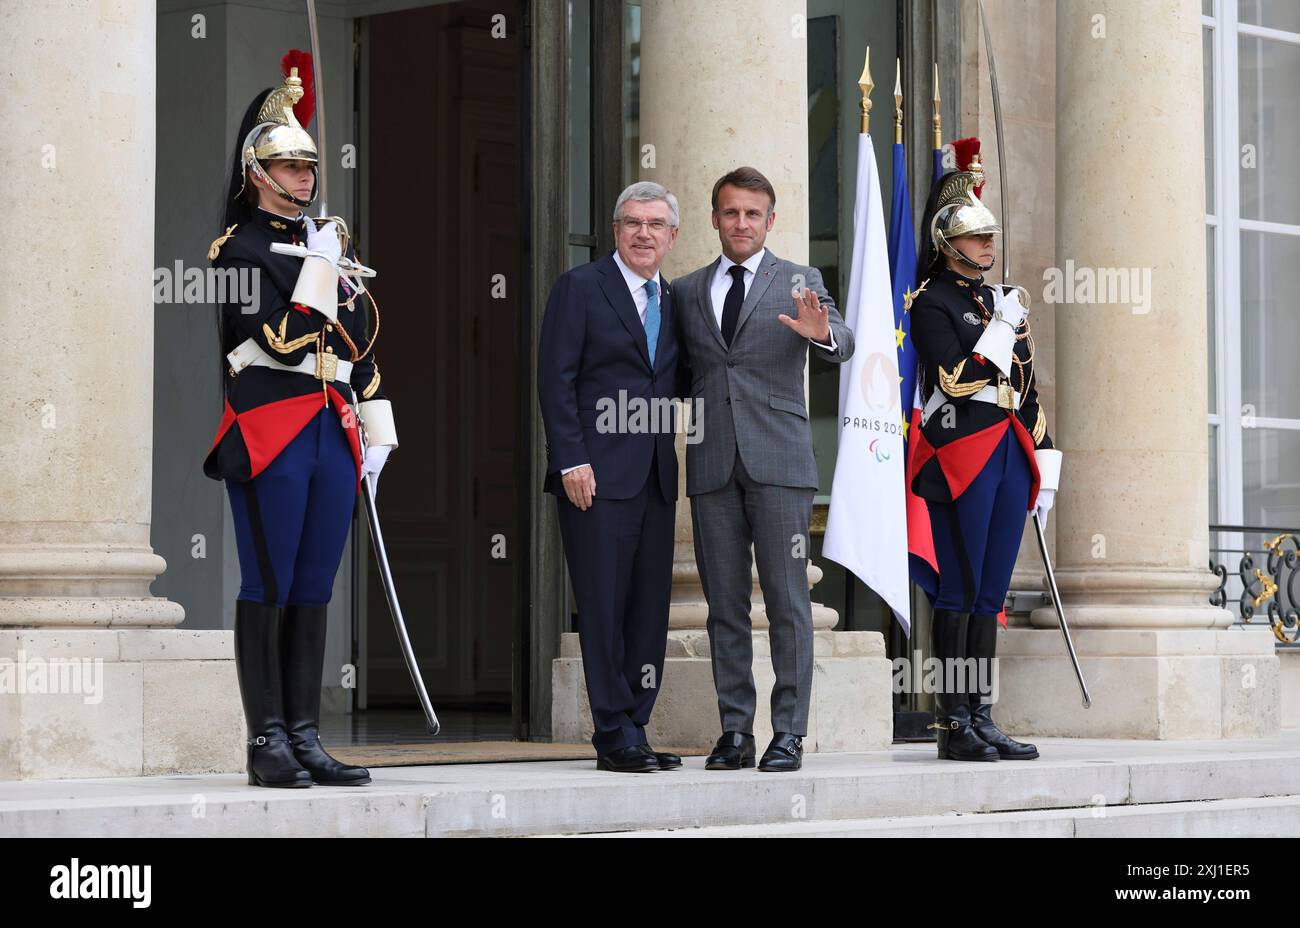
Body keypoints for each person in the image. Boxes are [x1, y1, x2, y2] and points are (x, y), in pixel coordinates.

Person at [203, 53, 397, 787]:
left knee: (314, 584)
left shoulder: (326, 244)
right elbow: (271, 338)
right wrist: (320, 269)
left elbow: (359, 346)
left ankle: (307, 736)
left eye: (309, 167)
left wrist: (378, 435)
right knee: (270, 581)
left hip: (331, 429)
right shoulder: (238, 250)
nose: (304, 178)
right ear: (257, 172)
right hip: (270, 426)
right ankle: (267, 743)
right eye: (288, 167)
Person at [674, 167, 854, 772]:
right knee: (724, 605)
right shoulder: (685, 290)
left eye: (753, 213)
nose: (742, 223)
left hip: (780, 463)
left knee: (786, 602)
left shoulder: (800, 281)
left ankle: (789, 734)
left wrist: (823, 333)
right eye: (731, 213)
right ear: (715, 218)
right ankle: (735, 733)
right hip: (712, 465)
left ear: (770, 220)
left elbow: (846, 340)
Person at [907, 137, 1061, 762]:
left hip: (1005, 450)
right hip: (960, 453)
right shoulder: (931, 302)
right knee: (959, 589)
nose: (988, 246)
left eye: (991, 237)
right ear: (949, 246)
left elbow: (1022, 384)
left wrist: (1045, 456)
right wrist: (999, 330)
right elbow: (955, 378)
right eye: (976, 238)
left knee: (992, 591)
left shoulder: (994, 300)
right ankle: (952, 725)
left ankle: (982, 715)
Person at [538, 182, 683, 773]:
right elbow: (555, 379)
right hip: (593, 476)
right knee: (602, 605)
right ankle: (611, 731)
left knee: (648, 609)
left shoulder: (673, 300)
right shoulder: (581, 287)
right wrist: (570, 459)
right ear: (615, 231)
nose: (643, 233)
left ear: (672, 236)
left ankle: (637, 726)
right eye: (632, 223)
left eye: (655, 224)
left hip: (654, 476)